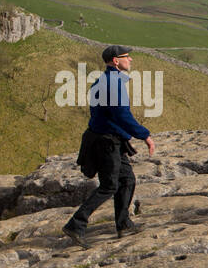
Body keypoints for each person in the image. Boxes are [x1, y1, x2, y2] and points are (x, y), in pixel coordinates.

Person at [62, 44, 153, 248]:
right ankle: (76, 225)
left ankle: (123, 224)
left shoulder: (105, 80)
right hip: (106, 142)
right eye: (127, 56)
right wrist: (144, 135)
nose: (131, 60)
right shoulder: (112, 83)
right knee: (109, 186)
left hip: (110, 140)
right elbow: (121, 115)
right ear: (115, 61)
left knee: (127, 180)